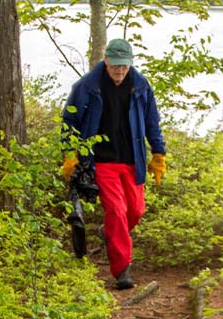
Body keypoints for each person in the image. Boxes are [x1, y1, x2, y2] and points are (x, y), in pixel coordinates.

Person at [61, 38, 166, 290]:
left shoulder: (140, 86)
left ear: (130, 64)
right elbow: (69, 121)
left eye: (124, 66)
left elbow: (152, 121)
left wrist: (158, 154)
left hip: (133, 160)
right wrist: (70, 154)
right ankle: (122, 270)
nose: (119, 71)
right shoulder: (87, 86)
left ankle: (109, 232)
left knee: (136, 211)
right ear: (106, 60)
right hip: (102, 161)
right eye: (115, 65)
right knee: (117, 212)